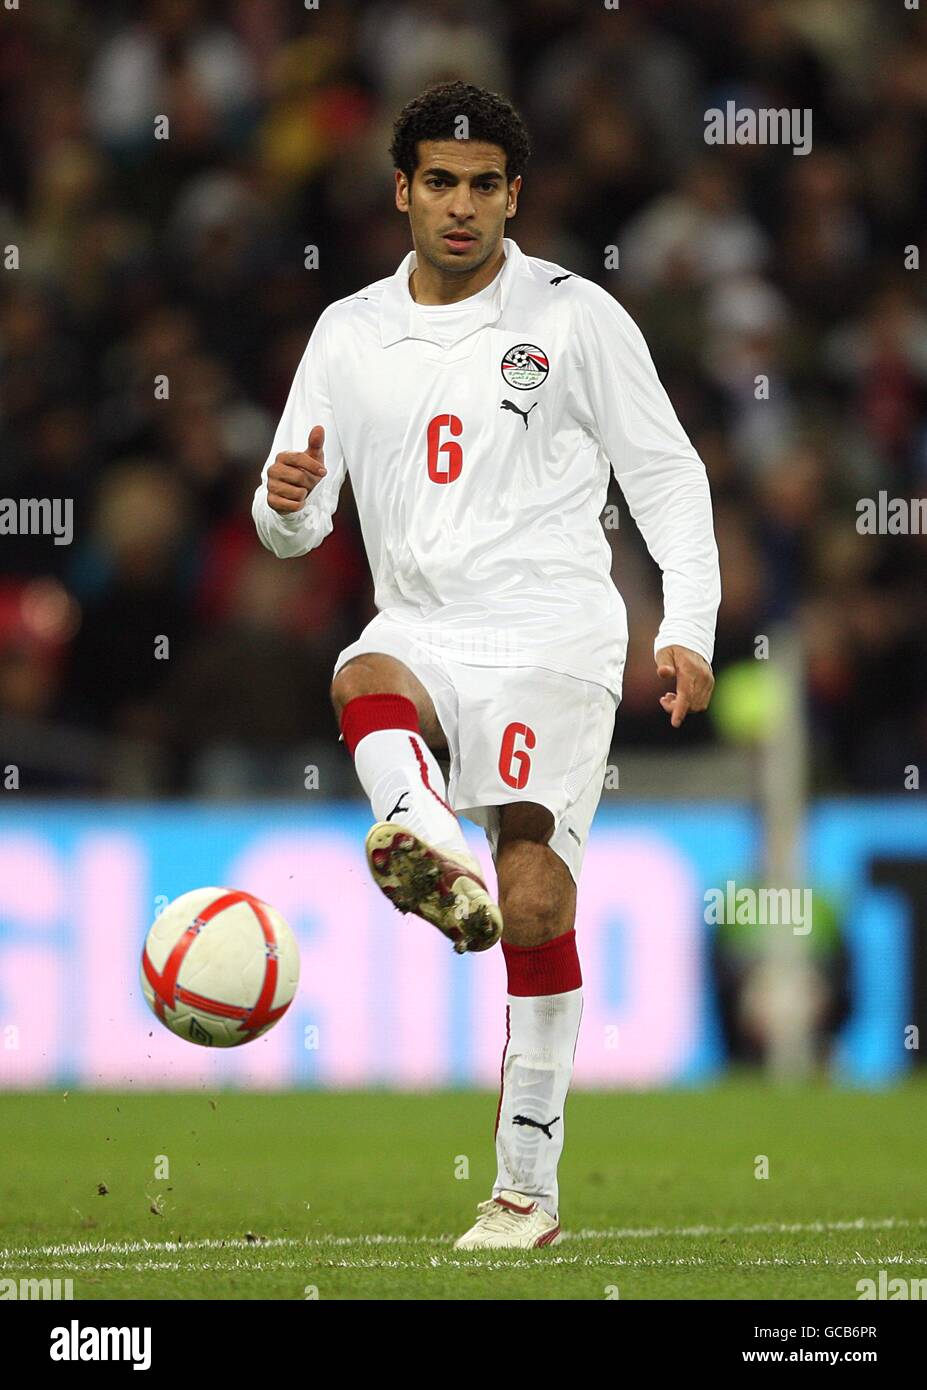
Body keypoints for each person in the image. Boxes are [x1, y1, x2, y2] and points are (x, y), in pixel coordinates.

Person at [253, 81, 721, 1249]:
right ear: (402, 190)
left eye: (485, 187)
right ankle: (417, 822)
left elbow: (666, 473)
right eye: (440, 184)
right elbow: (293, 524)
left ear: (516, 197)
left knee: (531, 902)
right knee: (366, 672)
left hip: (555, 628)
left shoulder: (575, 316)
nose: (462, 208)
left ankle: (525, 1188)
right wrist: (282, 506)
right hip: (421, 616)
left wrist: (692, 623)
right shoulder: (348, 333)